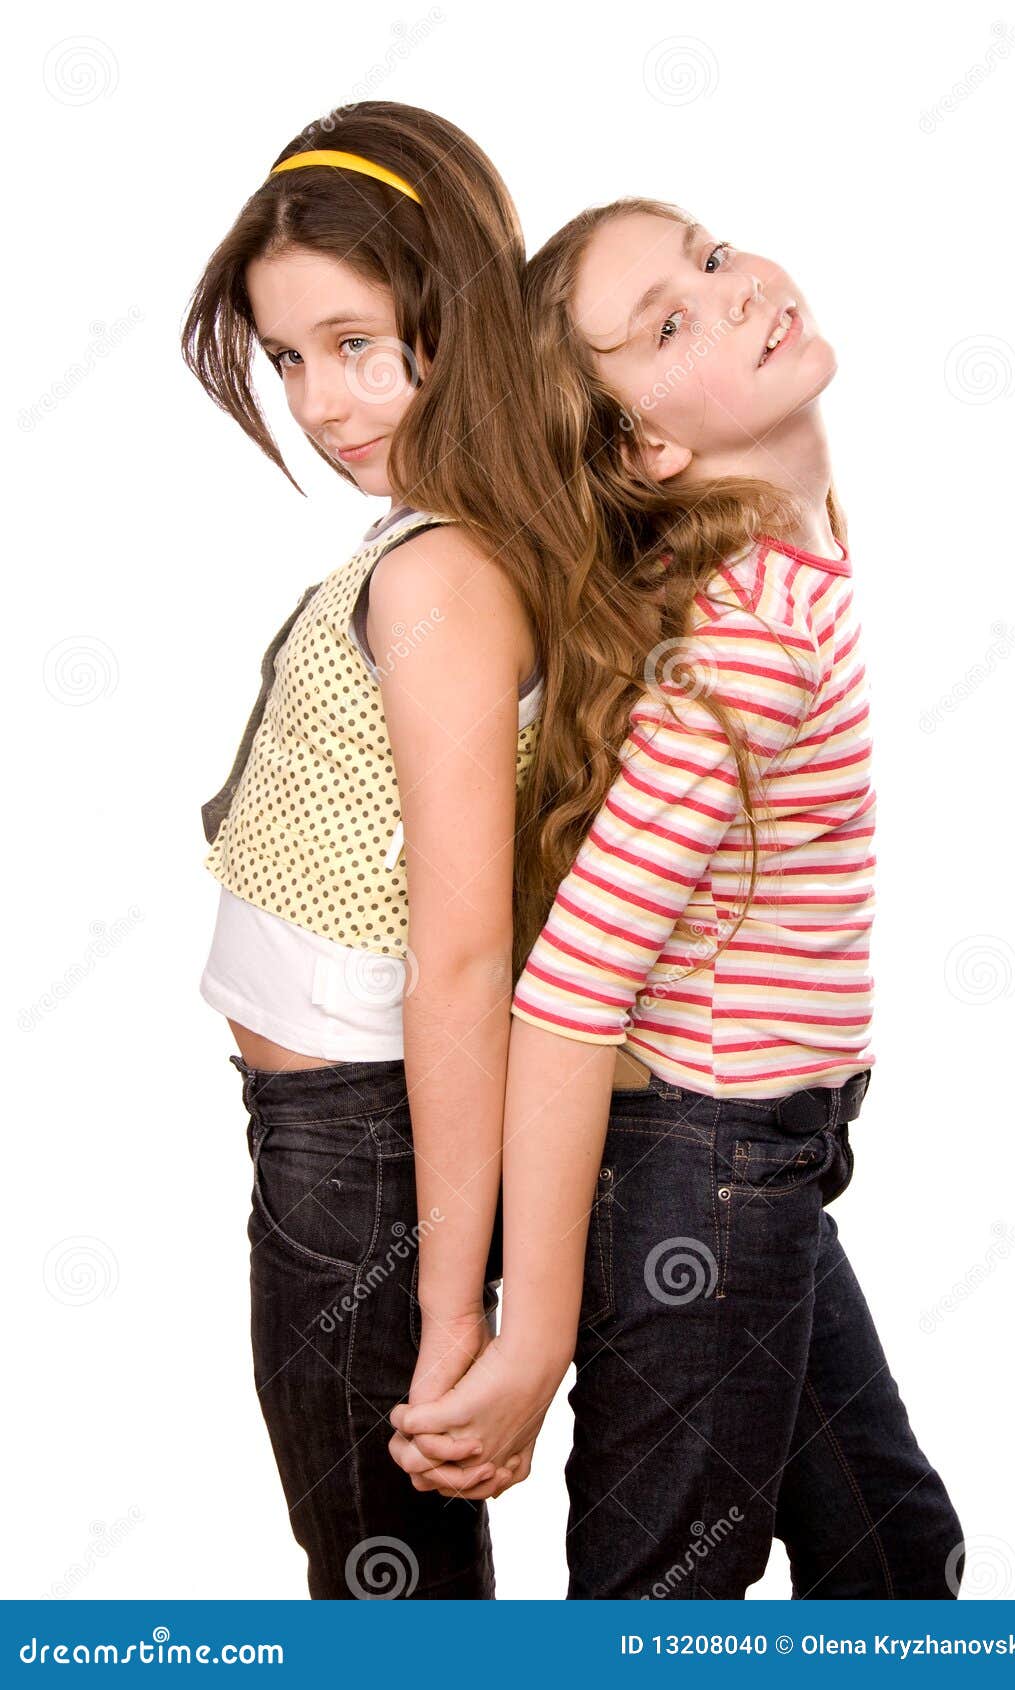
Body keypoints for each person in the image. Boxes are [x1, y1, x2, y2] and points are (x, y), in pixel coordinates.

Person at [388, 198, 967, 1600]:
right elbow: (576, 980)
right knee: (658, 1609)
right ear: (650, 446)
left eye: (709, 257)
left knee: (893, 1559)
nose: (734, 287)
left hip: (763, 1166)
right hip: (708, 1177)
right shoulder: (751, 636)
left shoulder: (776, 559)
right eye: (667, 321)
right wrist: (529, 1332)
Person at [182, 101, 585, 1599]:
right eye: (288, 359)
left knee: (379, 1578)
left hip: (362, 1144)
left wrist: (444, 1310)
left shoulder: (446, 572)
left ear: (452, 308)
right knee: (378, 1568)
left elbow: (466, 946)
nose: (320, 401)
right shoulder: (441, 536)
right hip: (335, 1132)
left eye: (354, 342)